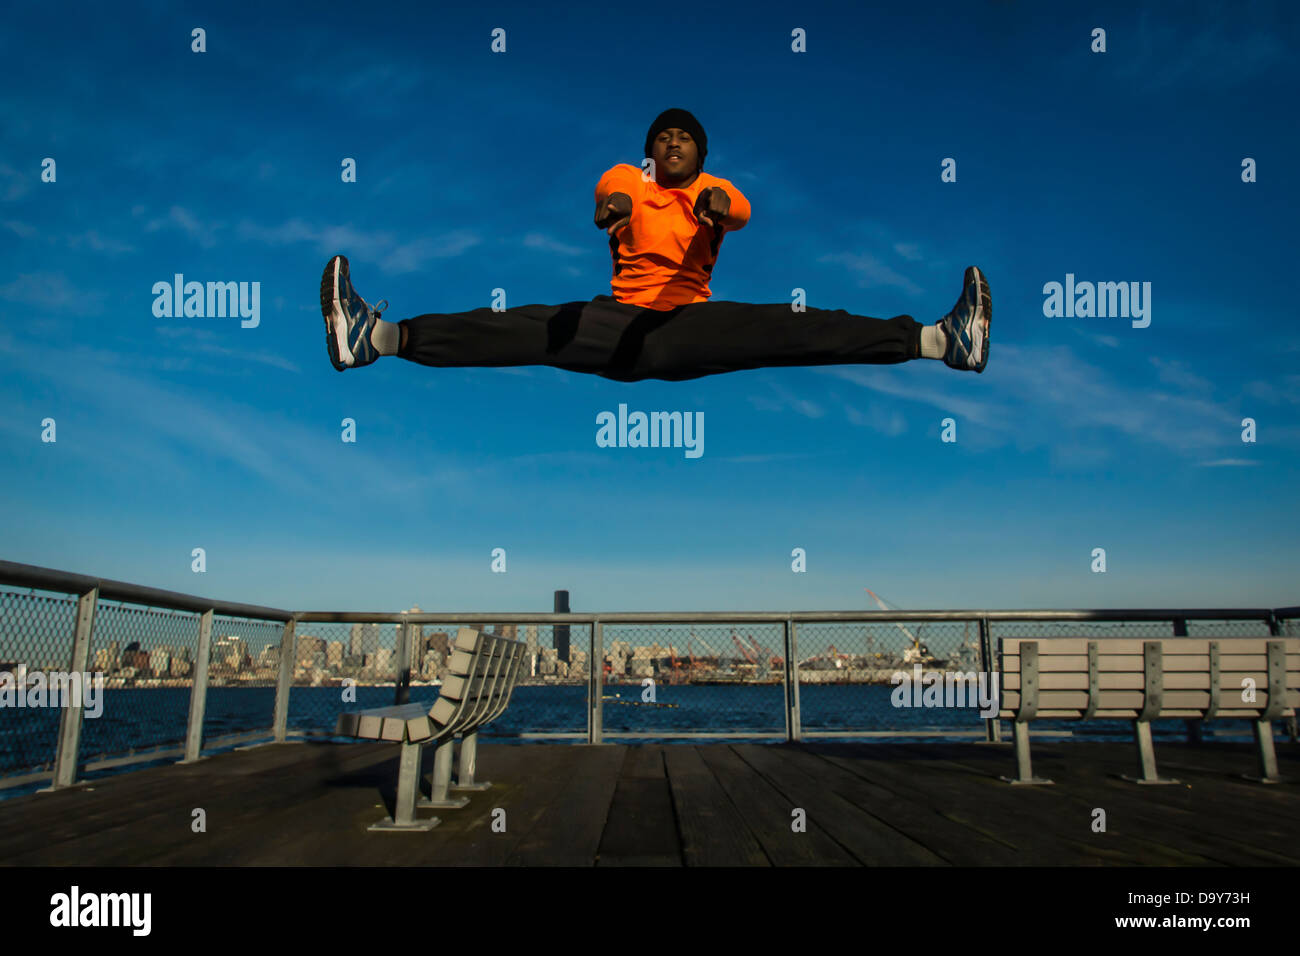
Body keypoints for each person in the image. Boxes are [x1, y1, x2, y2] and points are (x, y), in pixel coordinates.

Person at [319, 108, 990, 382]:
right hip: (618, 324)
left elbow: (736, 210)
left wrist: (713, 205)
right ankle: (374, 339)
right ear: (649, 152)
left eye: (685, 138)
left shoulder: (718, 190)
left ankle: (939, 341)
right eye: (662, 137)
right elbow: (610, 200)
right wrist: (613, 213)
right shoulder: (626, 181)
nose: (673, 143)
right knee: (529, 327)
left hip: (688, 324)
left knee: (791, 325)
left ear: (701, 152)